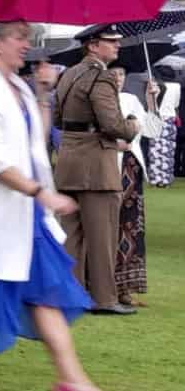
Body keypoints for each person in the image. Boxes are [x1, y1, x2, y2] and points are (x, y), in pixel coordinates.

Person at [0, 20, 121, 391]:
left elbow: (34, 142)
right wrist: (44, 195)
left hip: (24, 213)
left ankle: (74, 381)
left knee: (47, 293)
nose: (27, 44)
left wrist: (42, 94)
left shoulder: (17, 87)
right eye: (19, 37)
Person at [53, 25, 140, 315]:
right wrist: (133, 125)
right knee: (103, 235)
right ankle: (104, 298)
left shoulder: (67, 74)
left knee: (71, 235)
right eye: (111, 41)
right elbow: (114, 126)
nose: (117, 46)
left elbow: (56, 117)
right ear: (93, 45)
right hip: (95, 163)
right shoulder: (102, 77)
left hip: (69, 158)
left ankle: (70, 295)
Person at [111, 64, 159, 308]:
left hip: (132, 169)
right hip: (110, 169)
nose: (118, 78)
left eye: (121, 74)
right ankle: (104, 286)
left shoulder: (131, 99)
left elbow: (152, 131)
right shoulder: (98, 99)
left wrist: (151, 102)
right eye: (114, 74)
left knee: (131, 229)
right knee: (111, 228)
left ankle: (126, 288)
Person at [146, 77, 179, 187]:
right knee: (169, 151)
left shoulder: (155, 85)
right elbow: (176, 104)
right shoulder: (176, 86)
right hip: (170, 119)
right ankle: (167, 179)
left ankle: (155, 179)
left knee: (155, 150)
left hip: (157, 117)